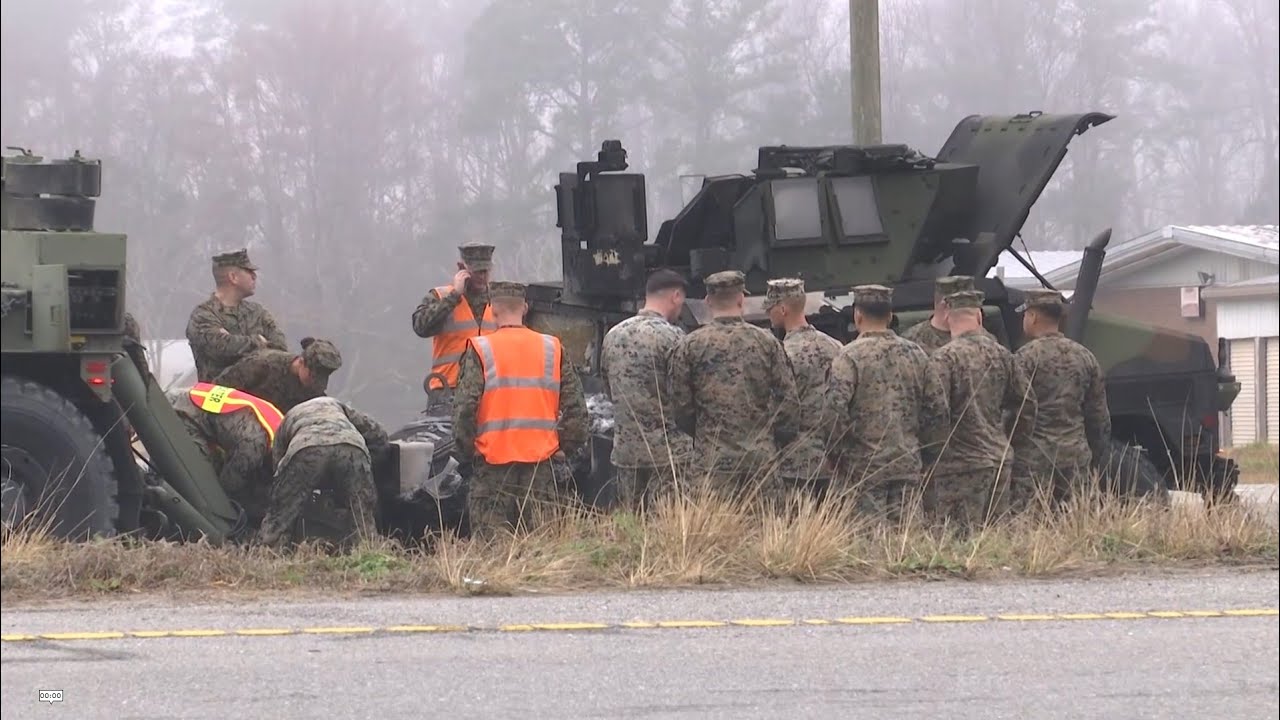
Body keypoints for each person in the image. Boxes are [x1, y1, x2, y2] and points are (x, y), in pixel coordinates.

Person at [451, 281, 589, 539]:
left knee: (493, 552)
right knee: (542, 549)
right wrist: (564, 448)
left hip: (493, 468)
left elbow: (465, 409)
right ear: (525, 308)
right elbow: (576, 410)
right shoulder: (552, 348)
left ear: (492, 310)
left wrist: (467, 452)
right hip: (540, 467)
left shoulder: (480, 349)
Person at [821, 284, 949, 522]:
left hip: (862, 470)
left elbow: (834, 412)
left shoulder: (848, 357)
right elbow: (937, 409)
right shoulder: (916, 354)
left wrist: (837, 456)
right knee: (907, 544)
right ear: (890, 316)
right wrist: (929, 455)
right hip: (907, 464)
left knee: (867, 544)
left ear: (857, 315)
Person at [668, 270, 799, 501]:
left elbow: (680, 408)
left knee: (712, 531)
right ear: (741, 299)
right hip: (760, 460)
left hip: (711, 461)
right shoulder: (767, 342)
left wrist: (703, 435)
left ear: (708, 301)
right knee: (763, 530)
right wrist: (773, 438)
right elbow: (788, 401)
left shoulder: (690, 346)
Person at [929, 290, 1038, 531]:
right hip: (998, 460)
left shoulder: (943, 359)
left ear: (947, 318)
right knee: (997, 535)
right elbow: (1027, 404)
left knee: (958, 540)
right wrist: (1009, 439)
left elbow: (934, 412)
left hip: (958, 466)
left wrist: (935, 453)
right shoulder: (1003, 355)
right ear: (979, 317)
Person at [599, 269, 694, 509]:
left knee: (631, 525)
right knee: (668, 527)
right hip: (668, 457)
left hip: (626, 454)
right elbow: (686, 397)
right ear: (675, 296)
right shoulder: (673, 337)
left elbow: (609, 391)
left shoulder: (613, 335)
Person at [1012, 288, 1111, 508]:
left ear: (1033, 316)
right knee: (1076, 523)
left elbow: (1014, 411)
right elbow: (1099, 416)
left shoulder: (1024, 358)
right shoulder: (1085, 356)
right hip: (1075, 456)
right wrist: (1093, 452)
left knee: (1031, 527)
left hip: (1034, 460)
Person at [255, 396, 392, 548]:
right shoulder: (337, 405)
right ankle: (370, 554)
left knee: (281, 513)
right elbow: (378, 434)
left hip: (306, 447)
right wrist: (371, 465)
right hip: (352, 446)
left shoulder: (287, 419)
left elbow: (279, 469)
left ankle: (269, 549)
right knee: (362, 513)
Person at [763, 277, 842, 500]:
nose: (769, 314)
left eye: (770, 308)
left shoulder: (782, 353)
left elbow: (777, 409)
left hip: (795, 463)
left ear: (783, 309)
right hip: (833, 459)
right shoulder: (835, 346)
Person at [172, 382, 284, 524]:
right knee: (203, 479)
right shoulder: (254, 446)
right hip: (183, 413)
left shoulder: (278, 424)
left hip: (194, 402)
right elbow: (228, 486)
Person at [411, 242, 498, 404]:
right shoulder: (441, 296)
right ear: (461, 268)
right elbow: (420, 326)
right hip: (447, 390)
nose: (482, 276)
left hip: (489, 390)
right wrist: (454, 296)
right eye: (477, 271)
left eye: (486, 271)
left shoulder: (499, 300)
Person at [185, 248, 289, 382]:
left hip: (260, 397)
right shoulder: (203, 316)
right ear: (233, 277)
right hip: (220, 397)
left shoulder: (257, 312)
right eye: (248, 271)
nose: (254, 276)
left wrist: (237, 342)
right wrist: (259, 342)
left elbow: (280, 347)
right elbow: (221, 348)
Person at [212, 337, 342, 414]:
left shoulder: (314, 391)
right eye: (312, 376)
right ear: (301, 362)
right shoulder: (263, 364)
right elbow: (218, 390)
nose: (314, 383)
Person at [901, 276, 991, 355]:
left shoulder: (986, 340)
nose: (970, 311)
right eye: (964, 304)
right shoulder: (911, 342)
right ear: (946, 306)